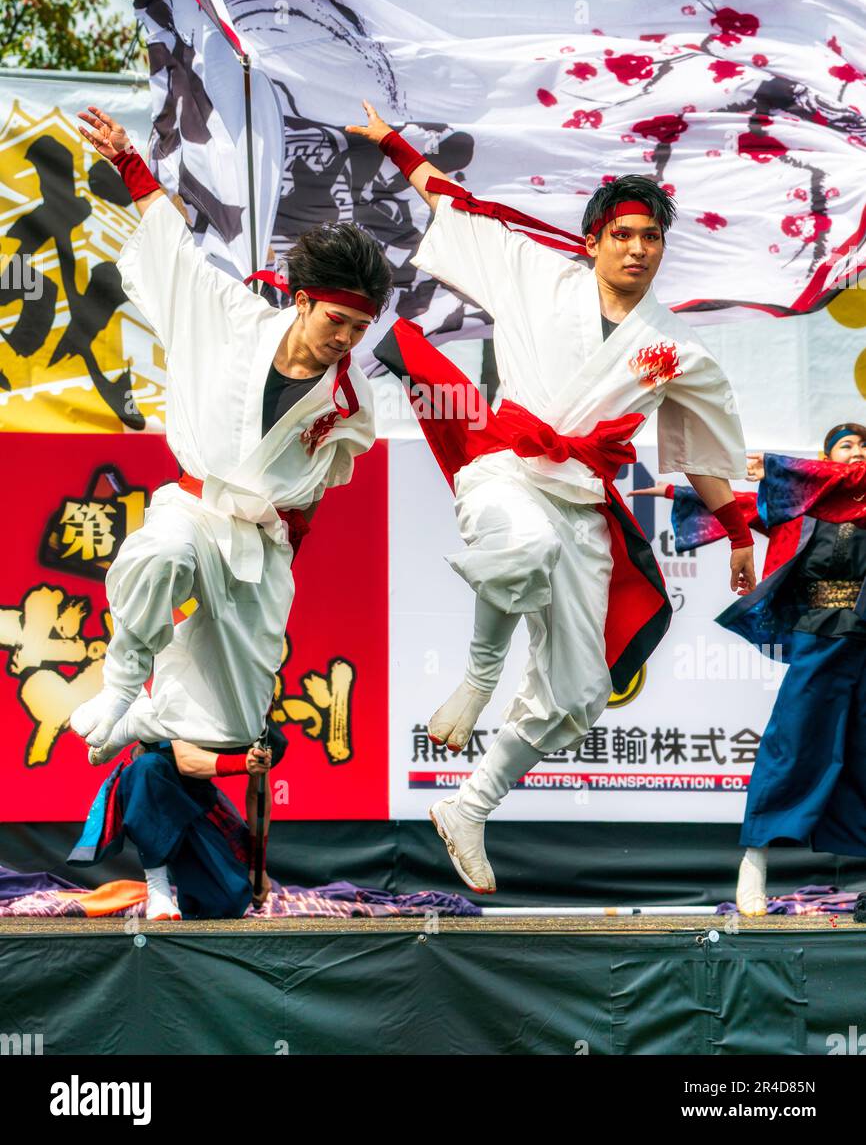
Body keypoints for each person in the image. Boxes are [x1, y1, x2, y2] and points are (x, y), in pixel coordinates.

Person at [347, 99, 754, 894]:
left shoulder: (679, 348)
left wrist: (738, 532)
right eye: (623, 235)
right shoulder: (537, 273)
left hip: (582, 503)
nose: (637, 249)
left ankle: (470, 805)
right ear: (593, 241)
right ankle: (478, 674)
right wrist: (395, 144)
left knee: (578, 691)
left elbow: (705, 449)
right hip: (504, 468)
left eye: (651, 238)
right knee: (520, 545)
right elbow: (451, 203)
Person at [68, 106, 392, 764]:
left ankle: (145, 721)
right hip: (194, 507)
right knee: (160, 556)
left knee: (234, 728)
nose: (345, 340)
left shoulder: (351, 403)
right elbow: (175, 251)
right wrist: (130, 163)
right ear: (302, 301)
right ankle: (123, 683)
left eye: (359, 331)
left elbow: (320, 486)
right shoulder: (234, 318)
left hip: (261, 546)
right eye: (336, 320)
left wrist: (290, 537)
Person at [636, 423, 866, 915]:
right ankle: (754, 862)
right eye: (846, 445)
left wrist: (787, 467)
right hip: (819, 633)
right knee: (794, 742)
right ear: (823, 460)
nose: (857, 452)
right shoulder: (799, 506)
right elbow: (744, 507)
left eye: (863, 446)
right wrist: (679, 491)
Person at [69, 727, 284, 920]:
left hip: (196, 800)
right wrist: (243, 763)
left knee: (226, 904)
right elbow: (186, 761)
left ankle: (193, 894)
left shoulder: (259, 725)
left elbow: (259, 795)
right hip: (151, 790)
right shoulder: (187, 691)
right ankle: (158, 890)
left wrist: (259, 868)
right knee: (147, 768)